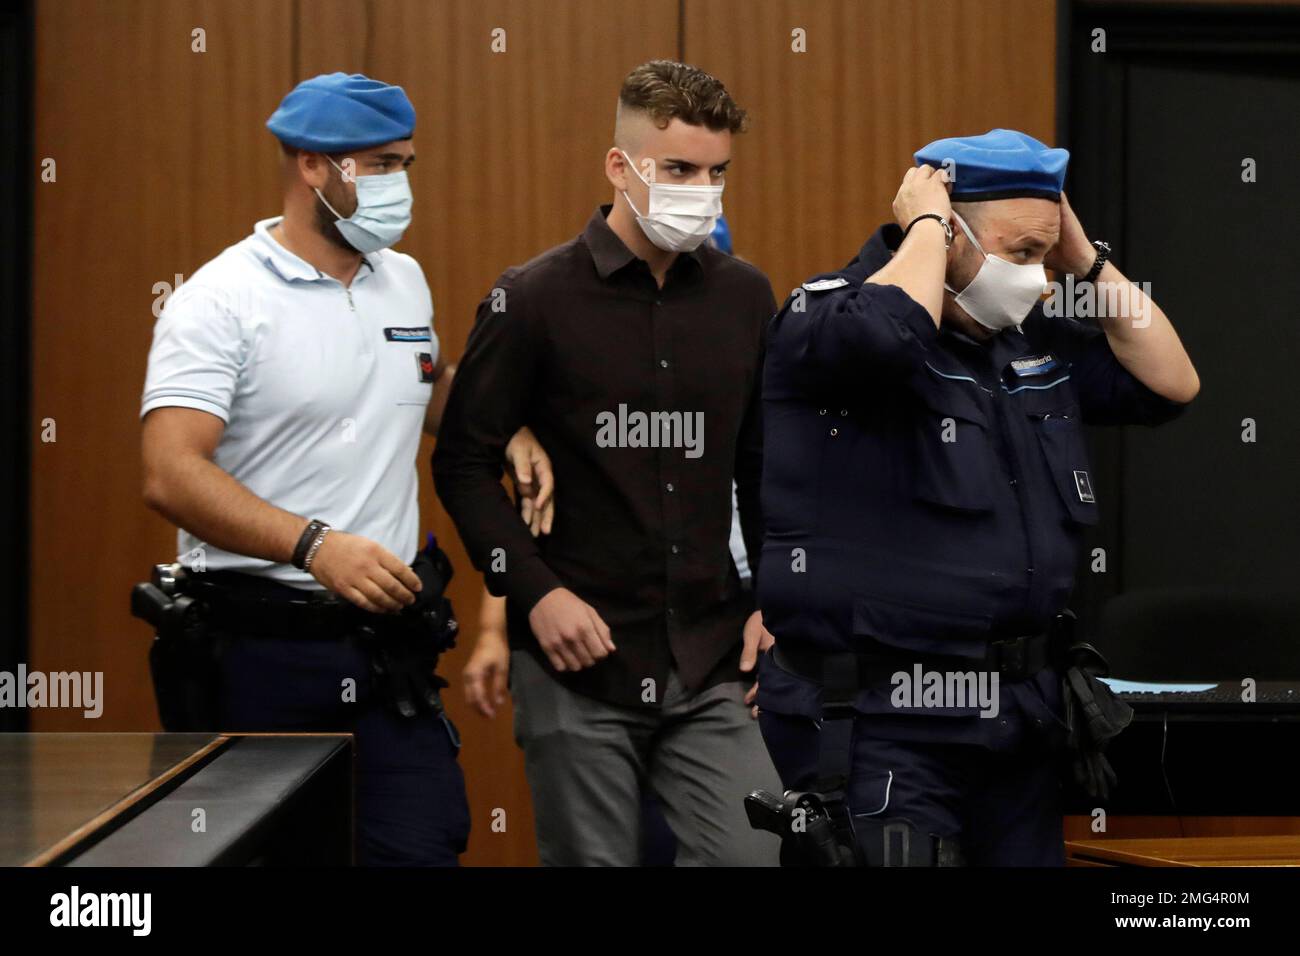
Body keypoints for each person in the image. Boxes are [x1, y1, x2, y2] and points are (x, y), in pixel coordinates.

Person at [754, 129, 1199, 866]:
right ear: (950, 233)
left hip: (1016, 718)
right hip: (883, 722)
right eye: (1021, 254)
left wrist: (1088, 260)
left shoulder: (1025, 345)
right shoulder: (825, 318)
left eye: (1045, 256)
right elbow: (887, 340)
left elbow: (1170, 382)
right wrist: (924, 224)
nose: (1039, 280)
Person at [139, 72, 545, 866]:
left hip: (385, 654)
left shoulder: (401, 278)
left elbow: (416, 382)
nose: (398, 185)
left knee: (424, 845)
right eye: (378, 165)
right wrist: (314, 545)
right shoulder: (220, 300)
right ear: (312, 166)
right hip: (259, 652)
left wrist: (504, 433)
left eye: (405, 164)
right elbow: (168, 471)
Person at [434, 60, 782, 866]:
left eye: (717, 171)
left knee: (755, 856)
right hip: (574, 658)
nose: (702, 188)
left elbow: (762, 466)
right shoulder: (530, 299)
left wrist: (773, 597)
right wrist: (536, 593)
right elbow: (461, 463)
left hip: (707, 655)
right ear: (619, 167)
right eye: (679, 169)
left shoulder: (746, 298)